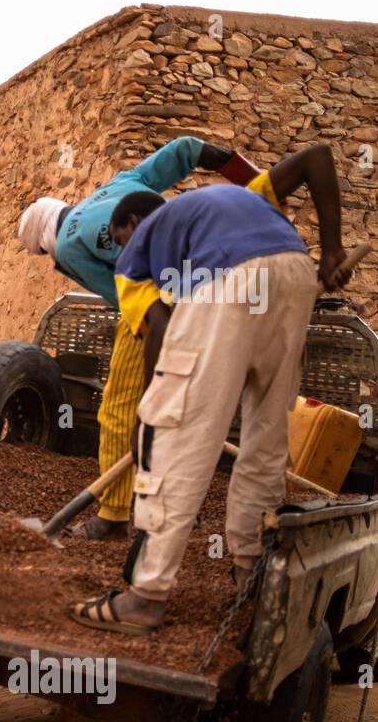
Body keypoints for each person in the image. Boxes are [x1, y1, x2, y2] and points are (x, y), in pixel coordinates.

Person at [71, 144, 352, 633]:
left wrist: (147, 416)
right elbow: (318, 158)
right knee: (265, 442)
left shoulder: (138, 249)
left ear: (136, 221)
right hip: (294, 272)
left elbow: (157, 331)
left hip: (229, 282)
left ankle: (148, 593)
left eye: (119, 237)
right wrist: (331, 251)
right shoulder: (246, 198)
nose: (120, 249)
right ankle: (250, 575)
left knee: (181, 437)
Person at [18, 137, 244, 539]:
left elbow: (123, 292)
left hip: (161, 302)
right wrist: (238, 169)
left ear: (43, 240)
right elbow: (185, 150)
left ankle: (115, 514)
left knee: (121, 408)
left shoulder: (68, 245)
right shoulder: (118, 186)